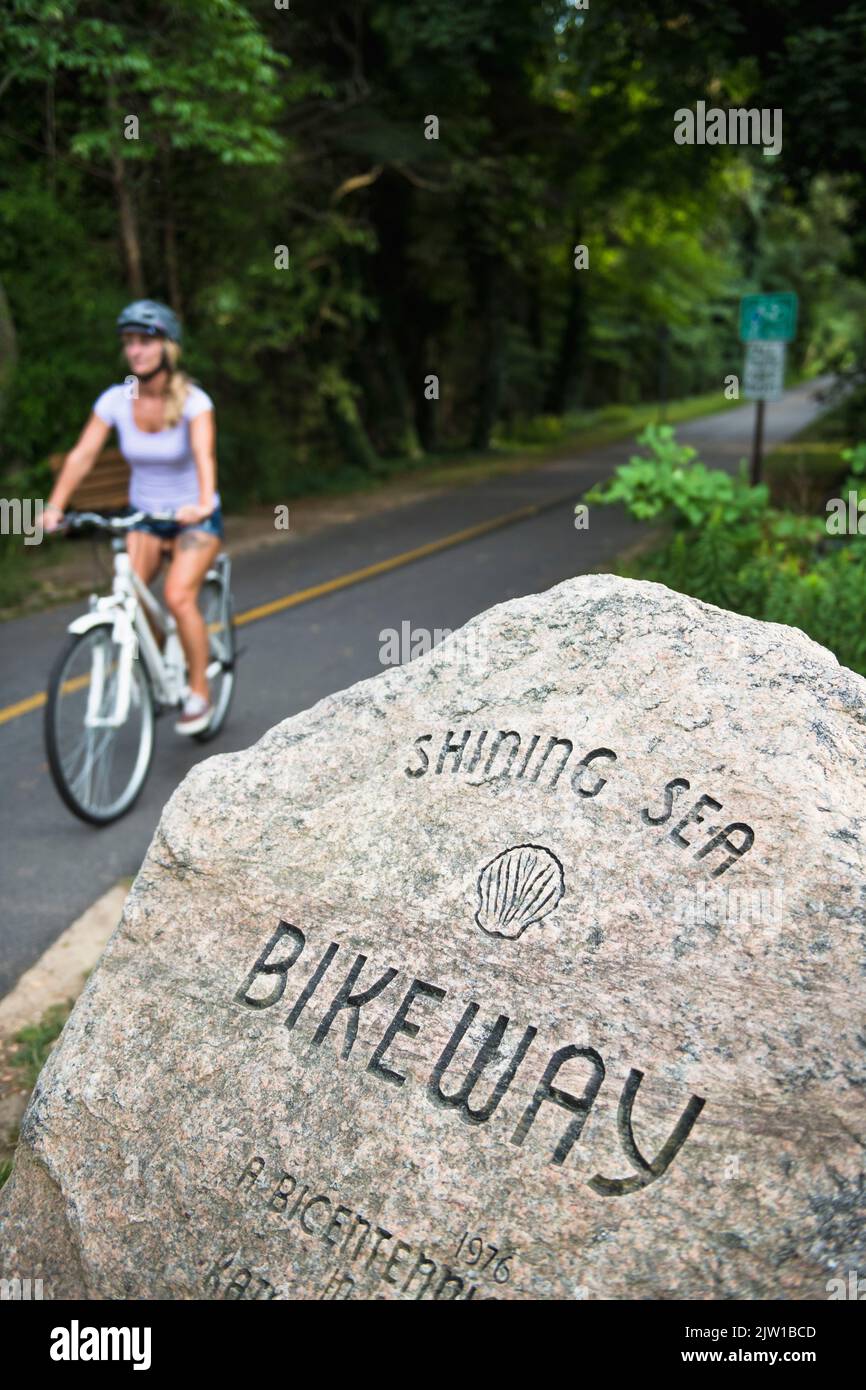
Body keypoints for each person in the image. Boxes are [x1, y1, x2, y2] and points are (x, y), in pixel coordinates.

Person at [43, 299, 223, 735]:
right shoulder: (116, 400)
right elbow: (83, 455)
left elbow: (204, 454)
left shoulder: (195, 402)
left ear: (167, 346)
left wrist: (201, 503)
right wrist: (54, 505)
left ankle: (199, 691)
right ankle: (164, 664)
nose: (136, 351)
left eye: (145, 341)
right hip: (142, 516)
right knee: (132, 600)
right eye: (129, 343)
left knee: (179, 596)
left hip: (192, 518)